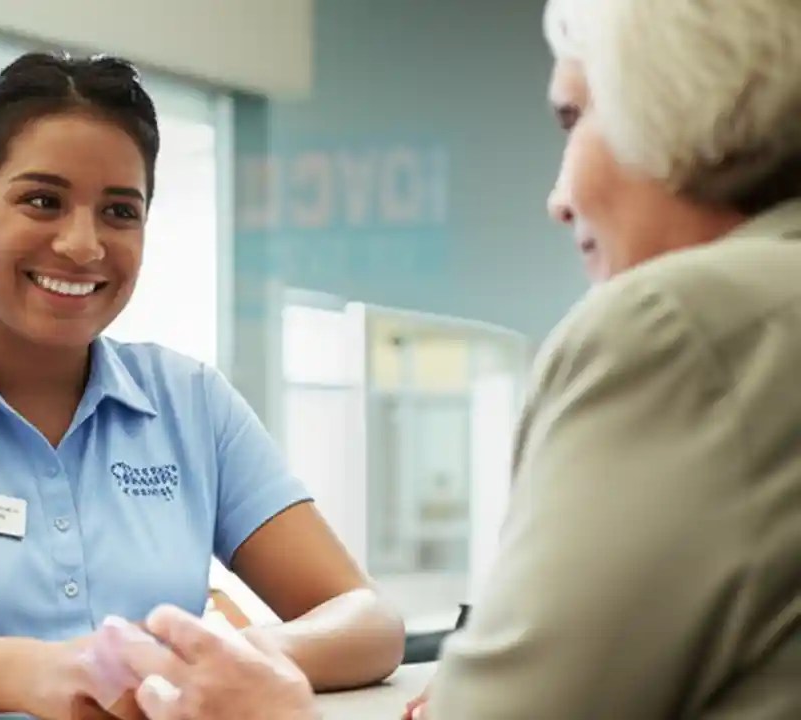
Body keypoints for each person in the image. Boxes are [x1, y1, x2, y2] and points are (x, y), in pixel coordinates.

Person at [115, 0, 801, 717]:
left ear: (680, 105)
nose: (558, 200)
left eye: (573, 121)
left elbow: (366, 617)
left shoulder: (675, 330)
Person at [0, 52, 406, 720]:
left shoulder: (190, 401)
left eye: (119, 212)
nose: (82, 244)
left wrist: (215, 665)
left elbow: (368, 620)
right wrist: (37, 673)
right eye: (42, 201)